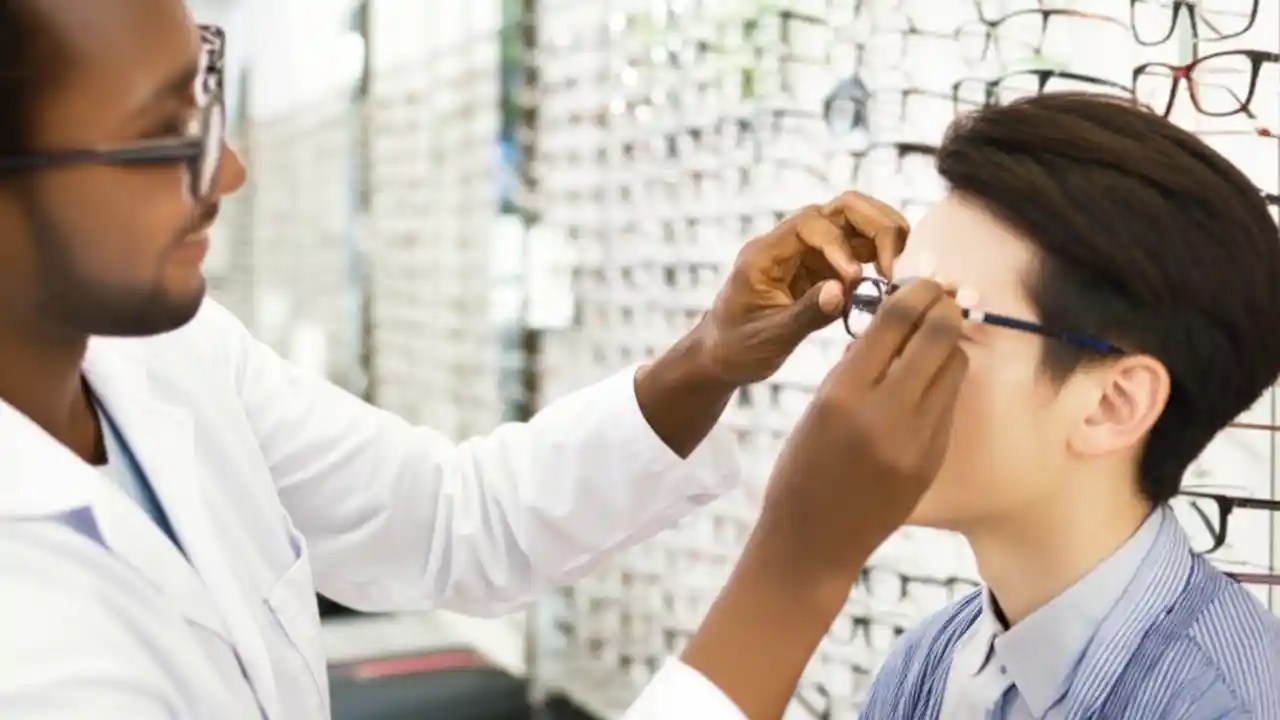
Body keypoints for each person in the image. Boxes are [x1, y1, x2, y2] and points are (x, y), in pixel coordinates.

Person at [0, 1, 970, 718]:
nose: (228, 171)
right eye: (160, 135)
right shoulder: (32, 653)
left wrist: (707, 359)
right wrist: (800, 559)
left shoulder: (160, 352)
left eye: (202, 96)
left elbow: (449, 519)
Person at [842, 94, 1279, 719]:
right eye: (887, 309)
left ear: (1112, 403)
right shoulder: (924, 670)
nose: (876, 364)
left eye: (938, 326)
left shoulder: (1231, 705)